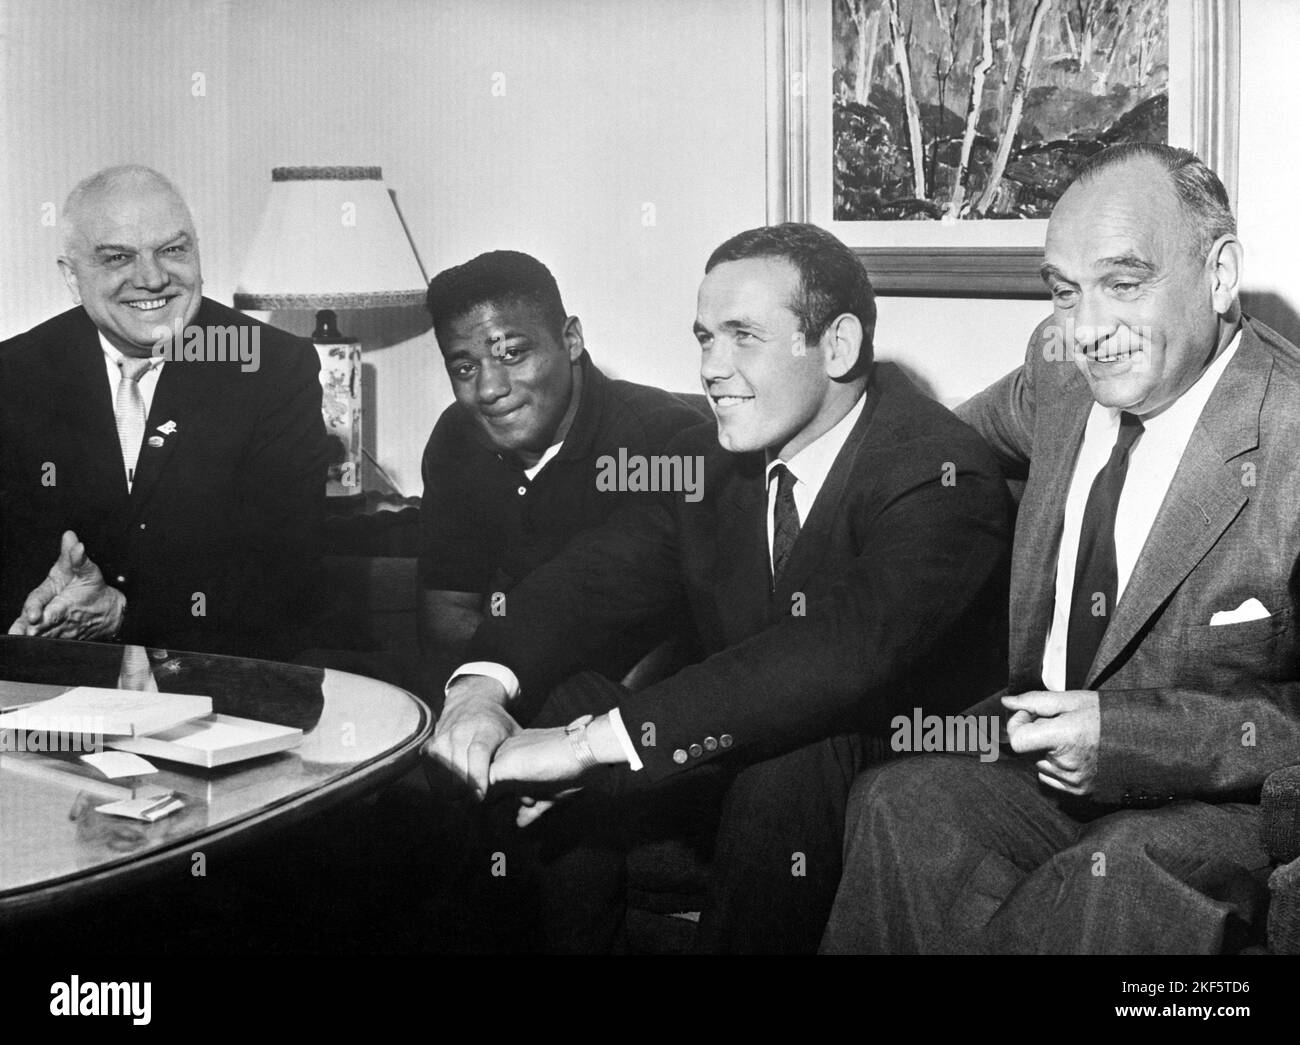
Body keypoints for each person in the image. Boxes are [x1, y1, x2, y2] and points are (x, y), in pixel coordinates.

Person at [427, 222, 1012, 952]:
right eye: (705, 339)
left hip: (895, 771)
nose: (711, 368)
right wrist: (479, 690)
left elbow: (836, 655)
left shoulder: (937, 472)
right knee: (558, 696)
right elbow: (590, 580)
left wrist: (589, 746)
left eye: (743, 337)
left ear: (837, 345)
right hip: (738, 750)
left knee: (794, 756)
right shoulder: (706, 460)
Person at [821, 142, 1300, 955]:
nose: (1087, 330)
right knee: (899, 802)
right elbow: (934, 451)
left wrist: (1131, 739)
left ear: (1220, 275)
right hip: (1039, 758)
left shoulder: (1288, 435)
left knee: (1116, 878)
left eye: (1123, 283)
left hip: (1218, 802)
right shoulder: (1060, 372)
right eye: (1064, 290)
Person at [0, 165, 329, 659]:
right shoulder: (14, 375)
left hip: (220, 673)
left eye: (173, 250)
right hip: (54, 678)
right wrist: (39, 606)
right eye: (118, 257)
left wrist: (126, 612)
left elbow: (286, 571)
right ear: (72, 277)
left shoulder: (272, 368)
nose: (152, 278)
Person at [418, 250, 708, 691]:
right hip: (485, 690)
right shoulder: (458, 438)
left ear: (571, 339)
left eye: (512, 354)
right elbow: (446, 618)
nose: (489, 389)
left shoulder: (662, 442)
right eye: (465, 368)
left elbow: (679, 640)